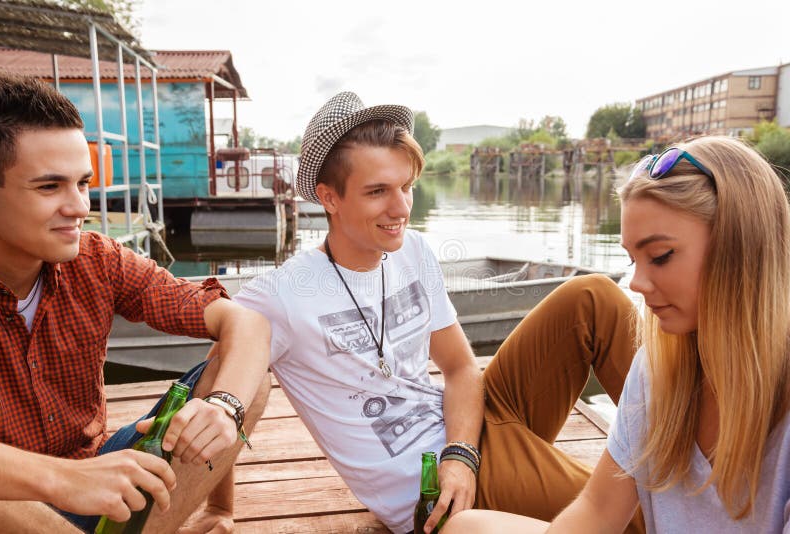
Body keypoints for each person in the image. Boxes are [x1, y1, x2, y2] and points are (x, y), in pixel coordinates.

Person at [231, 91, 645, 533]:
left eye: (406, 187)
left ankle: (688, 446)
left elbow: (461, 367)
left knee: (592, 297)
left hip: (466, 431)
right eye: (378, 192)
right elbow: (219, 382)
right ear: (328, 198)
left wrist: (461, 452)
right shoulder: (284, 294)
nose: (401, 208)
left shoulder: (414, 251)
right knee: (635, 513)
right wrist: (221, 507)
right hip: (440, 491)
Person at [442, 136, 790, 533]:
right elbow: (597, 512)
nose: (637, 283)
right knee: (465, 527)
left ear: (739, 248)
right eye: (632, 259)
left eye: (660, 256)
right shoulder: (658, 368)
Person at [0, 73, 272, 534]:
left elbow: (245, 324)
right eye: (49, 187)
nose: (80, 206)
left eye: (83, 183)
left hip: (98, 473)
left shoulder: (97, 259)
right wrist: (63, 479)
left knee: (243, 376)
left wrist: (223, 408)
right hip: (10, 498)